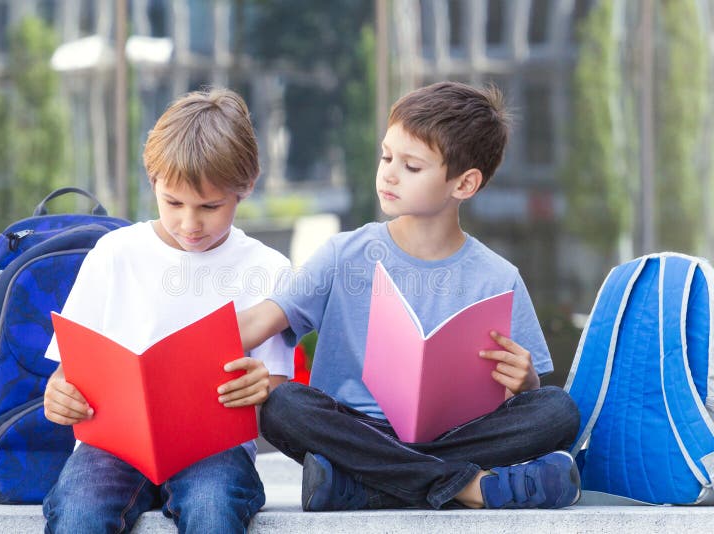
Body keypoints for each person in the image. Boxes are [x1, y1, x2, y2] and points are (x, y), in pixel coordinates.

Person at [238, 81, 581, 511]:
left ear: (464, 184)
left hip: (452, 436)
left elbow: (523, 401)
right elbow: (257, 322)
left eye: (412, 166)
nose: (389, 173)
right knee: (284, 405)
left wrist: (525, 383)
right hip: (356, 432)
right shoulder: (343, 254)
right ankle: (469, 487)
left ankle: (363, 488)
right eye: (386, 157)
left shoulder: (499, 278)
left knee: (557, 411)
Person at [41, 88, 293, 533]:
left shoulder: (267, 269)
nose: (190, 224)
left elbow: (270, 393)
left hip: (214, 449)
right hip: (112, 446)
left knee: (214, 508)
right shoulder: (113, 253)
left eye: (210, 207)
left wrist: (262, 390)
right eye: (173, 203)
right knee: (79, 510)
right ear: (153, 180)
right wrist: (59, 394)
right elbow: (67, 373)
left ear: (246, 187)